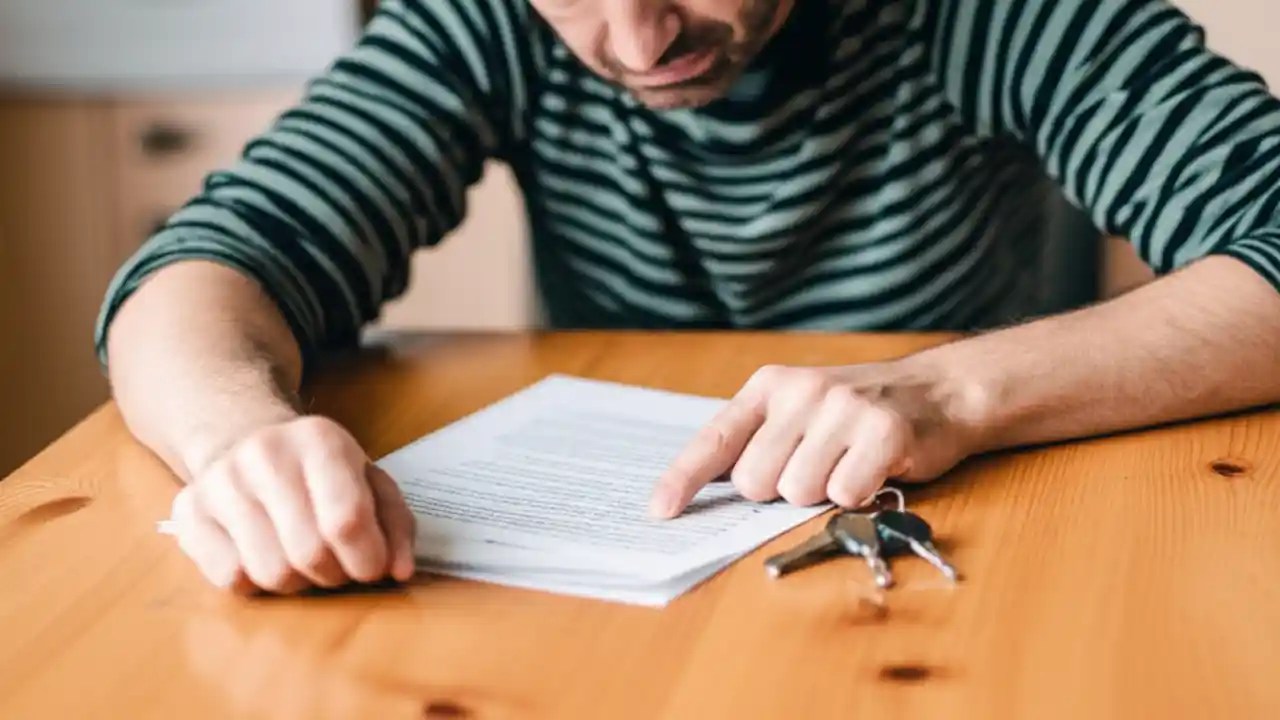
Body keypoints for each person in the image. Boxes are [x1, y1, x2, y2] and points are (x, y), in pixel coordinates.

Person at [97, 0, 1280, 595]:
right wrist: (239, 439)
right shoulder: (483, 24)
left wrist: (951, 388)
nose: (637, 37)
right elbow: (208, 265)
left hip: (970, 531)